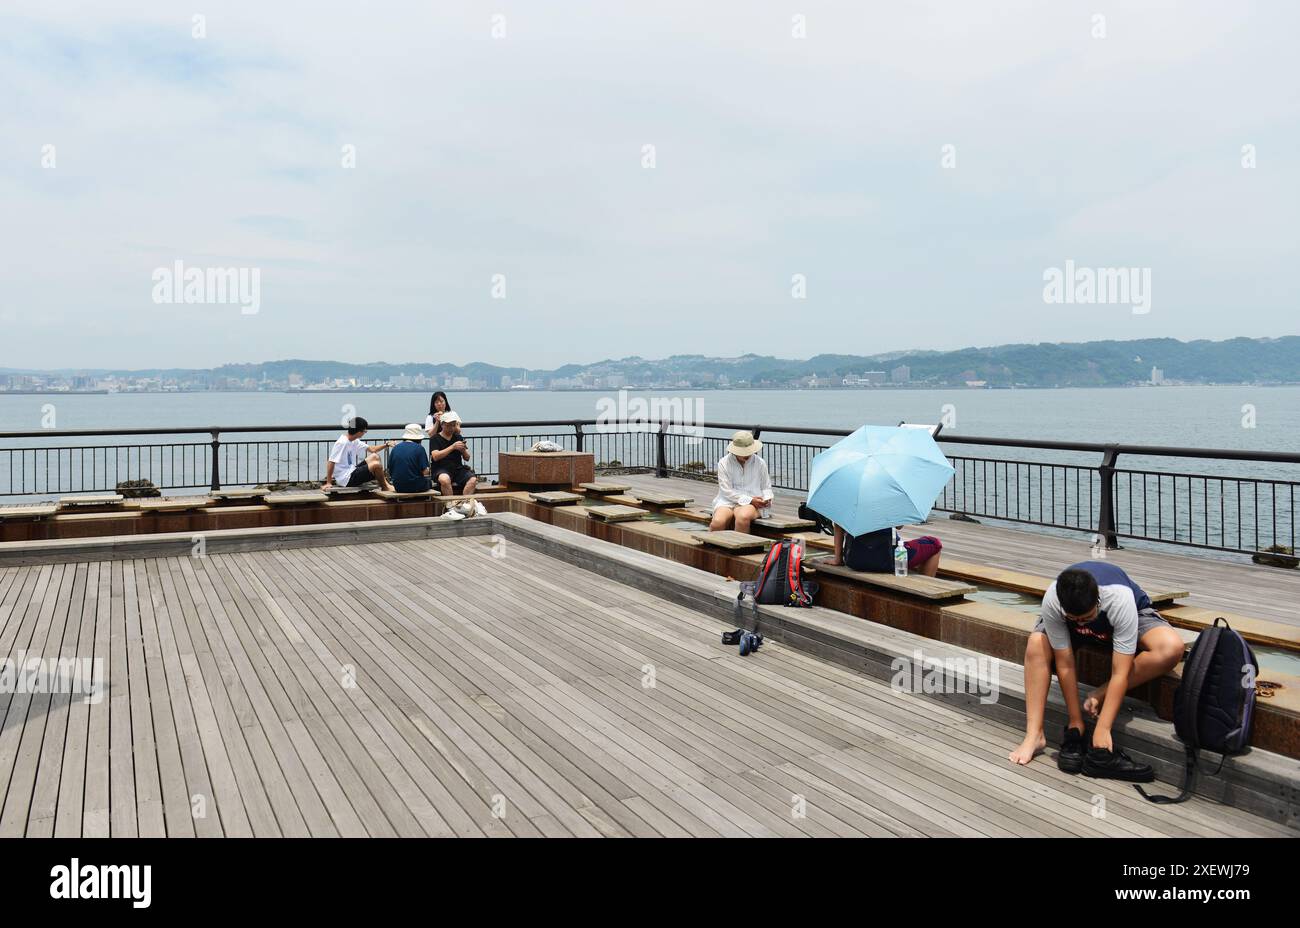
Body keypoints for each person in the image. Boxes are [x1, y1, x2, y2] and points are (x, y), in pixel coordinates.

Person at [1008, 561, 1185, 782]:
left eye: (1087, 617)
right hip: (1077, 622)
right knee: (1036, 643)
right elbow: (1065, 663)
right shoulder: (1053, 598)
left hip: (1127, 616)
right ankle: (1034, 735)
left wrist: (1103, 727)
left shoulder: (1119, 598)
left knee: (1171, 648)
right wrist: (1076, 722)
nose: (1082, 622)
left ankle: (1100, 693)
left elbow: (1120, 672)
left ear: (1098, 601)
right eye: (1075, 619)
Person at [709, 431, 773, 533]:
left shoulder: (760, 463)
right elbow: (726, 491)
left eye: (749, 451)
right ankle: (711, 547)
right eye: (743, 452)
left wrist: (767, 499)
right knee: (717, 522)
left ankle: (740, 548)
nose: (747, 454)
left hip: (753, 503)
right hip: (728, 501)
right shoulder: (723, 463)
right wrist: (750, 499)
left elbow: (766, 487)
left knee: (743, 518)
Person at [823, 524, 943, 576]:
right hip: (887, 559)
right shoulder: (889, 495)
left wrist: (838, 558)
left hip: (855, 559)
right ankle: (925, 589)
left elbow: (838, 526)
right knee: (934, 544)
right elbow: (899, 525)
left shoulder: (850, 498)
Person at [322, 417, 395, 491]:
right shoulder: (342, 443)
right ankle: (385, 487)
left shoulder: (354, 441)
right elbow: (331, 461)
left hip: (352, 471)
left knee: (375, 456)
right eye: (365, 431)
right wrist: (328, 482)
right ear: (359, 432)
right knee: (376, 465)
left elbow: (372, 449)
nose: (365, 433)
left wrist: (386, 444)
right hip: (345, 479)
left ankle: (386, 485)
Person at [429, 411, 478, 498]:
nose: (451, 428)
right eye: (448, 425)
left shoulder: (458, 437)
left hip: (457, 468)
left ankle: (464, 503)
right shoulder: (435, 438)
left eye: (453, 425)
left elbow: (467, 458)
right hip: (441, 468)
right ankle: (450, 505)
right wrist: (452, 447)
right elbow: (435, 456)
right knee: (444, 480)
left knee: (473, 480)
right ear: (442, 425)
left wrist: (463, 450)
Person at [388, 423, 433, 493]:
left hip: (398, 486)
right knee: (429, 482)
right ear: (419, 438)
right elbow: (425, 472)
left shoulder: (395, 448)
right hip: (416, 486)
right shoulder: (419, 448)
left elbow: (390, 469)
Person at [425, 391, 452, 459]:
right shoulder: (430, 417)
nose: (439, 404)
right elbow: (431, 434)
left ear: (445, 402)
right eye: (436, 402)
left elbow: (458, 431)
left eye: (441, 401)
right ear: (433, 404)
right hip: (437, 445)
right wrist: (437, 421)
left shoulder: (451, 414)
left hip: (450, 442)